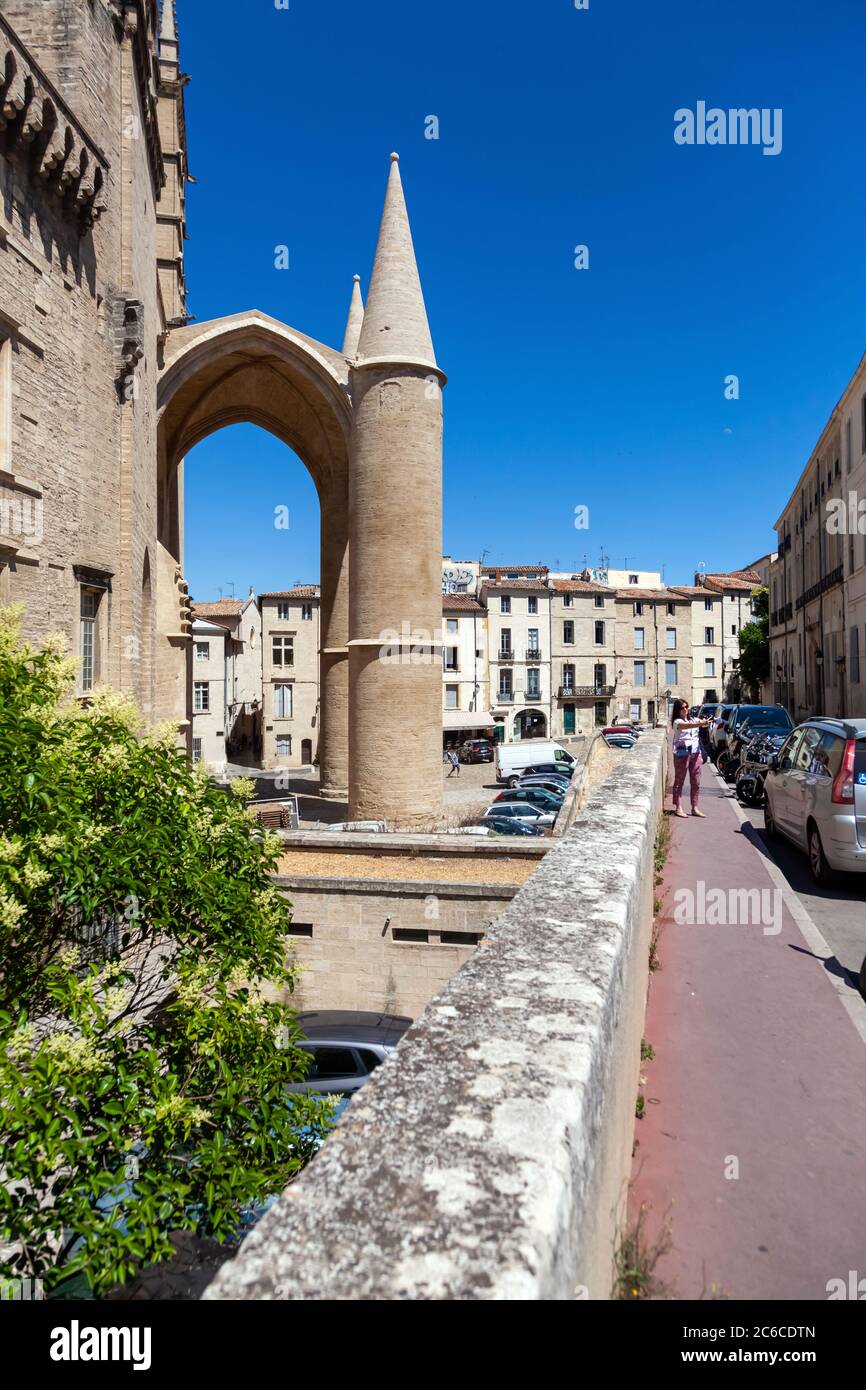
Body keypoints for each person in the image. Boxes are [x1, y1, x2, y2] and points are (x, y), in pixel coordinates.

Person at [670, 697, 710, 818]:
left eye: (687, 707)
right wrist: (700, 723)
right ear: (678, 710)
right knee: (679, 781)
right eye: (682, 708)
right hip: (682, 754)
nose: (685, 709)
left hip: (695, 753)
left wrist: (706, 723)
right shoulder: (677, 722)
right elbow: (686, 726)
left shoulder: (694, 719)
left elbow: (702, 726)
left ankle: (695, 807)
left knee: (696, 781)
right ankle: (678, 807)